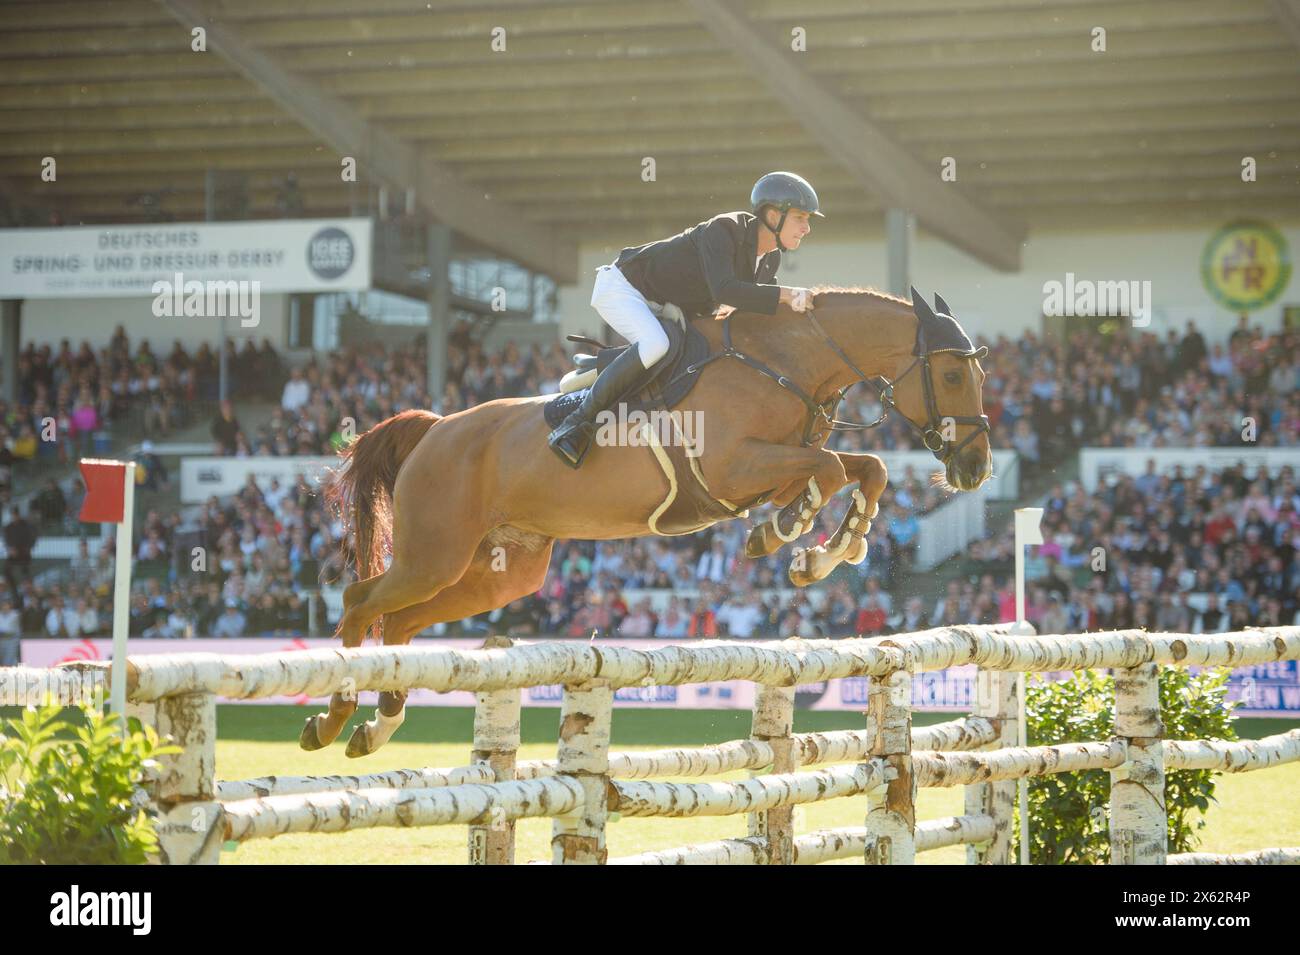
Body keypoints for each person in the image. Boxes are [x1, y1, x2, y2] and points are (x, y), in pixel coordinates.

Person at [548, 171, 823, 467]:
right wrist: (786, 293)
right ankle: (575, 425)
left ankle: (601, 367)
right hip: (625, 287)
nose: (807, 228)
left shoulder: (770, 259)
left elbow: (753, 310)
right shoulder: (725, 229)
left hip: (667, 305)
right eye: (800, 218)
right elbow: (725, 290)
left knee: (699, 348)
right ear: (773, 215)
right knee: (655, 344)